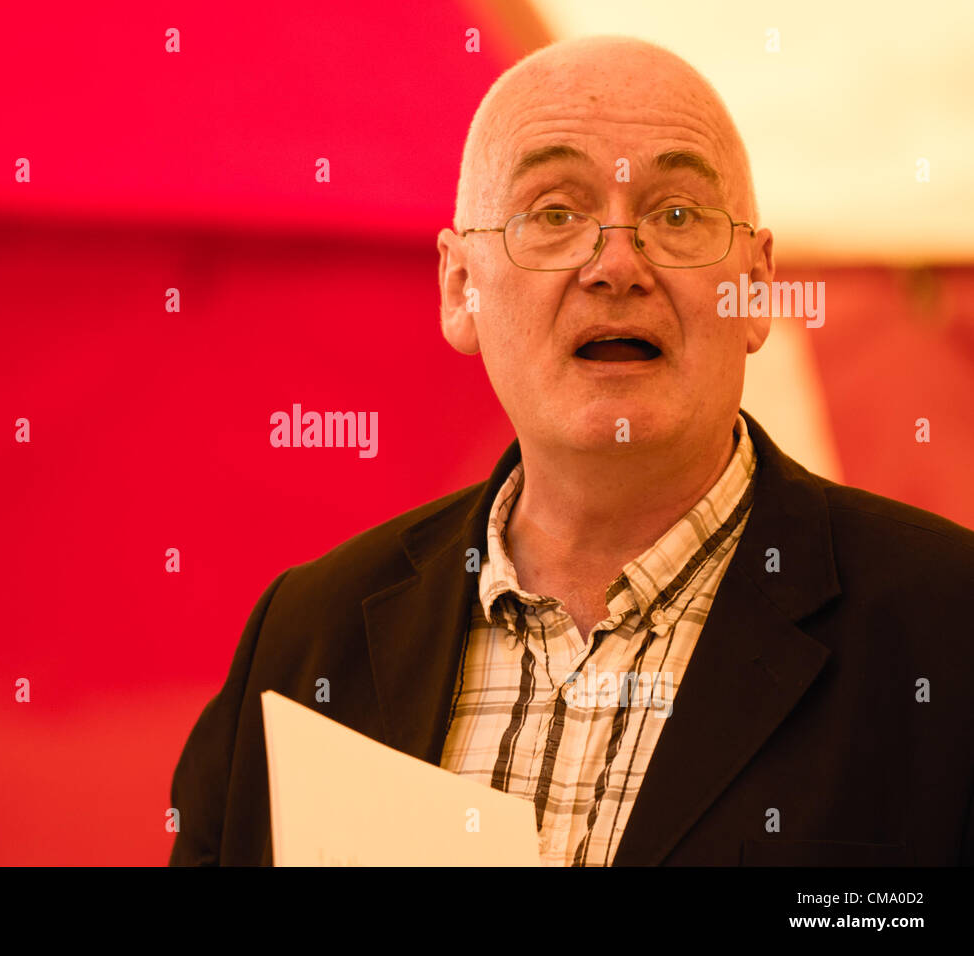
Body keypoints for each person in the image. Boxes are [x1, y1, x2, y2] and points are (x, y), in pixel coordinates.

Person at [168, 35, 974, 866]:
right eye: (555, 214)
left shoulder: (947, 633)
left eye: (676, 215)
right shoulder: (306, 640)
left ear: (757, 289)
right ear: (460, 289)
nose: (617, 264)